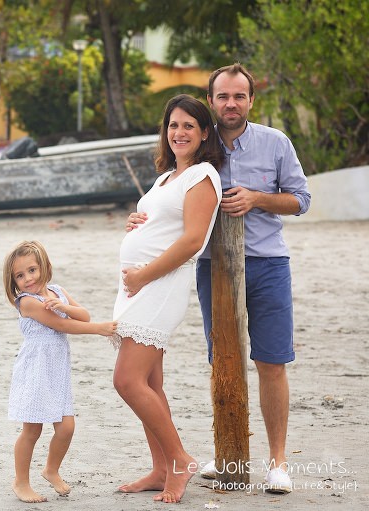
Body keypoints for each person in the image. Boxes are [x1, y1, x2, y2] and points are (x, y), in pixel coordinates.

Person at [128, 63, 311, 494]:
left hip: (267, 264)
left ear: (251, 100)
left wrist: (258, 198)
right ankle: (229, 457)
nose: (231, 104)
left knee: (271, 361)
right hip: (213, 268)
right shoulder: (197, 145)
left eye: (239, 96)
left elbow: (301, 199)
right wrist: (143, 216)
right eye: (223, 97)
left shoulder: (275, 143)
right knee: (223, 362)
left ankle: (278, 462)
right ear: (211, 101)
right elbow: (173, 200)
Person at [114, 94, 223, 503]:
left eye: (188, 126)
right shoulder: (165, 178)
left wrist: (142, 275)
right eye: (173, 125)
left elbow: (193, 240)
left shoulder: (203, 176)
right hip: (136, 287)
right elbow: (160, 222)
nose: (179, 133)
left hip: (159, 286)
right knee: (150, 382)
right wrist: (135, 222)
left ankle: (179, 459)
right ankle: (160, 467)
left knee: (126, 380)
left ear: (204, 133)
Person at [3, 240, 118, 503]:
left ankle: (51, 469)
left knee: (66, 427)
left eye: (32, 270)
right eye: (20, 276)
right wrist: (100, 329)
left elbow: (82, 316)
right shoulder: (27, 302)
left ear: (45, 267)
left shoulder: (57, 291)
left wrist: (65, 306)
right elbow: (62, 327)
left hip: (57, 370)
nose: (28, 279)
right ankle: (21, 482)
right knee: (32, 430)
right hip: (36, 369)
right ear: (13, 282)